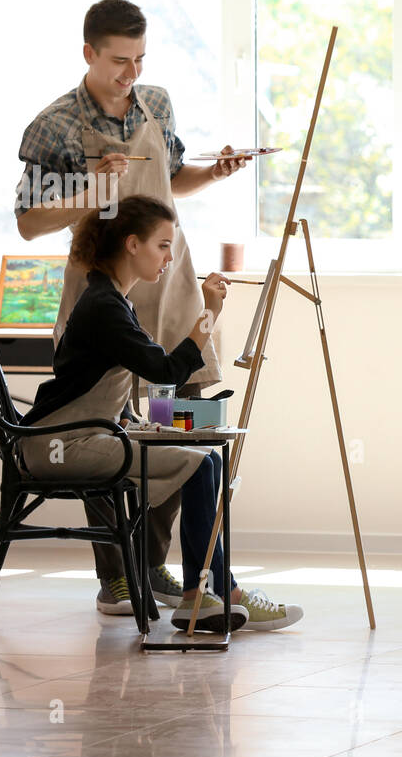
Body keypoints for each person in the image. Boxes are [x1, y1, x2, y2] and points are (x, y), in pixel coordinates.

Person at [15, 0, 248, 616]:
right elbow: (28, 224)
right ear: (88, 52)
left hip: (168, 280)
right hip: (104, 290)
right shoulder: (55, 125)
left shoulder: (157, 104)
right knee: (103, 418)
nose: (131, 74)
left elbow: (169, 178)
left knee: (185, 419)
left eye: (140, 59)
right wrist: (91, 190)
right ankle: (115, 575)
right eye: (119, 61)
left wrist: (213, 173)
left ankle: (155, 563)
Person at [18, 196, 302, 632]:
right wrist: (208, 313)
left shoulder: (111, 299)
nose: (171, 257)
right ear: (132, 244)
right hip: (62, 443)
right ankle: (203, 595)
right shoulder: (106, 307)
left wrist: (144, 425)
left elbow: (112, 386)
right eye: (163, 245)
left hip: (84, 434)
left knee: (207, 460)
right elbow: (165, 369)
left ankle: (216, 591)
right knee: (204, 463)